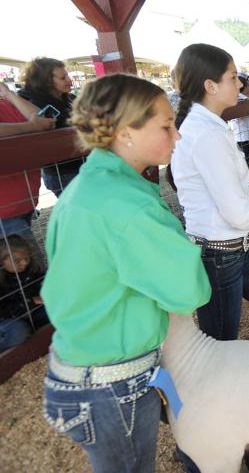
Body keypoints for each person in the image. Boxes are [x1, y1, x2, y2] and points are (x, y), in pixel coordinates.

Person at [40, 73, 212, 471]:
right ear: (125, 133)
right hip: (113, 385)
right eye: (166, 126)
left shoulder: (85, 189)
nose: (177, 136)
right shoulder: (130, 205)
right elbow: (189, 290)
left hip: (78, 370)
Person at [170, 44, 249, 343]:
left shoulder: (209, 127)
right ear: (210, 86)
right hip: (221, 253)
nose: (240, 83)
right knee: (218, 343)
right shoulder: (207, 134)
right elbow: (235, 211)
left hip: (234, 246)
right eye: (234, 77)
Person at [0, 82, 55, 243]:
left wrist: (9, 94)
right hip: (5, 210)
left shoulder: (9, 103)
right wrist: (31, 127)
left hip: (23, 202)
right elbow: (37, 123)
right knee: (27, 263)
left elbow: (43, 118)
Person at [19, 57, 81, 196]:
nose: (69, 80)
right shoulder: (33, 104)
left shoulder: (69, 98)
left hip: (81, 164)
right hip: (63, 171)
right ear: (46, 81)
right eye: (63, 77)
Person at [0, 235, 49, 352]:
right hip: (8, 320)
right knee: (19, 331)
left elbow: (42, 283)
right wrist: (31, 301)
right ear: (1, 262)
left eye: (27, 258)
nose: (25, 263)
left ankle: (36, 335)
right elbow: (3, 310)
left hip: (31, 313)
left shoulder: (31, 270)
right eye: (17, 261)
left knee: (58, 309)